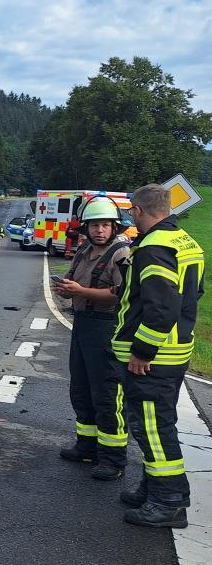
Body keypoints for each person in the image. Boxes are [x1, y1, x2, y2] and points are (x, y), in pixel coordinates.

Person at [114, 184, 204, 528]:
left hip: (155, 358)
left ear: (138, 210)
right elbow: (192, 292)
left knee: (152, 427)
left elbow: (162, 306)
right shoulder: (184, 241)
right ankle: (153, 488)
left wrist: (142, 350)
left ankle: (168, 502)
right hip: (175, 350)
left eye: (131, 211)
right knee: (156, 424)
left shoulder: (154, 247)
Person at [53, 197, 131, 480]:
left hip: (106, 328)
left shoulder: (121, 254)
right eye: (94, 225)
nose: (100, 230)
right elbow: (75, 281)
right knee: (81, 389)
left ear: (114, 227)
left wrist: (81, 292)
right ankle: (87, 446)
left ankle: (113, 459)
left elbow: (121, 294)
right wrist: (66, 289)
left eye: (105, 225)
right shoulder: (84, 250)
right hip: (83, 325)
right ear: (85, 228)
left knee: (106, 393)